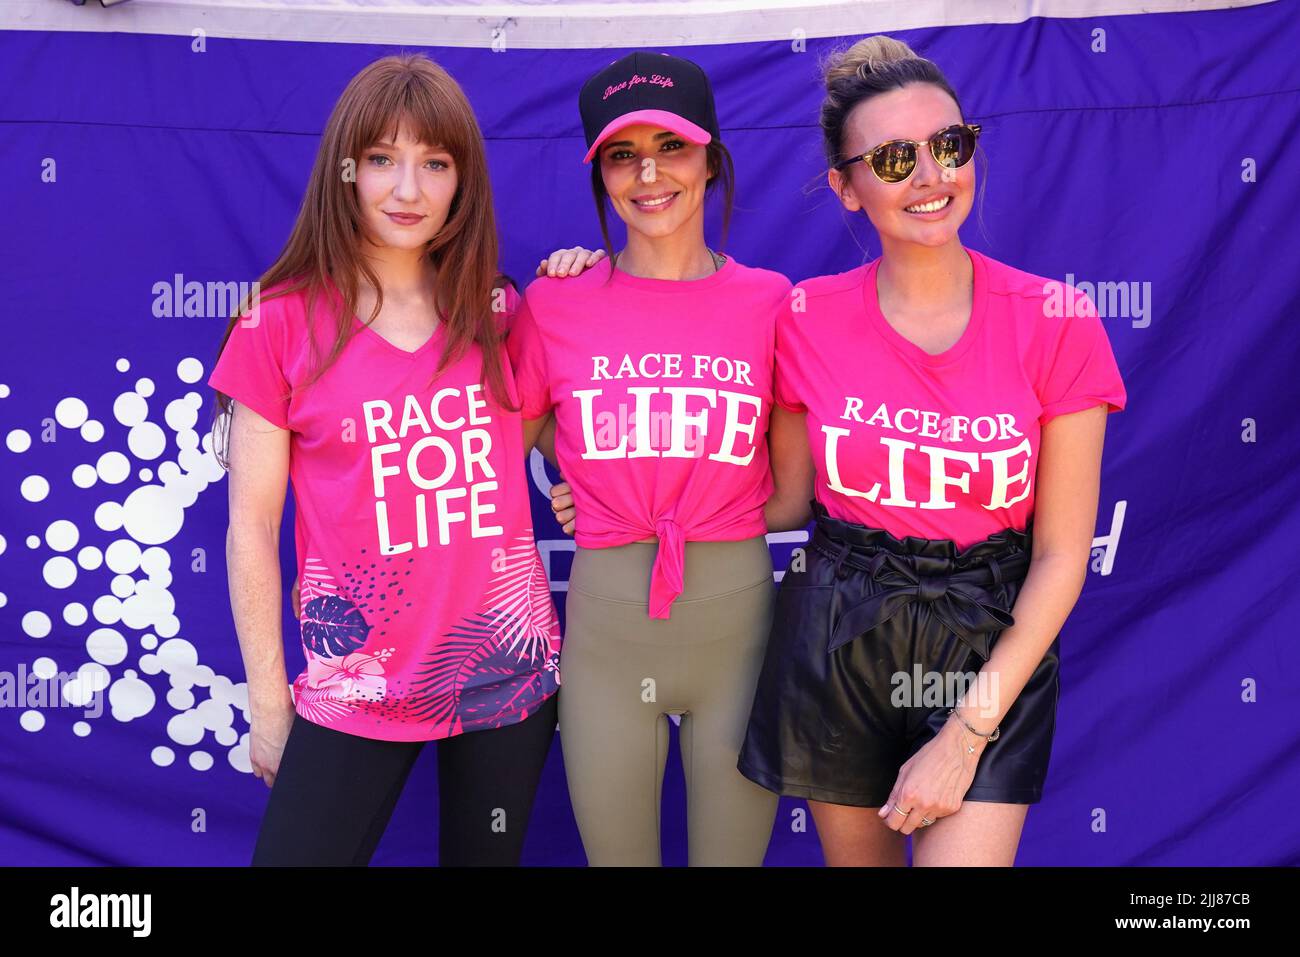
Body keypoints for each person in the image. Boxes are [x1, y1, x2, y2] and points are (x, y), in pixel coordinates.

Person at [735, 35, 1128, 866]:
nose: (930, 175)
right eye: (892, 157)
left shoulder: (1056, 320)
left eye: (948, 146)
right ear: (845, 187)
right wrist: (606, 482)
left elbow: (1062, 555)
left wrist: (968, 729)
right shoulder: (802, 318)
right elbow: (785, 499)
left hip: (987, 634)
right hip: (842, 627)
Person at [208, 53, 598, 866]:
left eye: (435, 163)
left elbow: (531, 452)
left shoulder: (500, 309)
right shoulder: (277, 325)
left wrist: (585, 291)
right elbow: (251, 527)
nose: (408, 190)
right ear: (345, 171)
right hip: (354, 690)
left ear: (463, 180)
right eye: (382, 159)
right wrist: (267, 702)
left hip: (508, 675)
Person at [507, 51, 797, 865]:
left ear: (711, 159)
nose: (649, 174)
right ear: (601, 175)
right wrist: (584, 485)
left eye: (671, 147)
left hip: (736, 626)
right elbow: (504, 442)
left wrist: (693, 498)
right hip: (607, 634)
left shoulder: (771, 302)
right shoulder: (556, 302)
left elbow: (794, 489)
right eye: (622, 155)